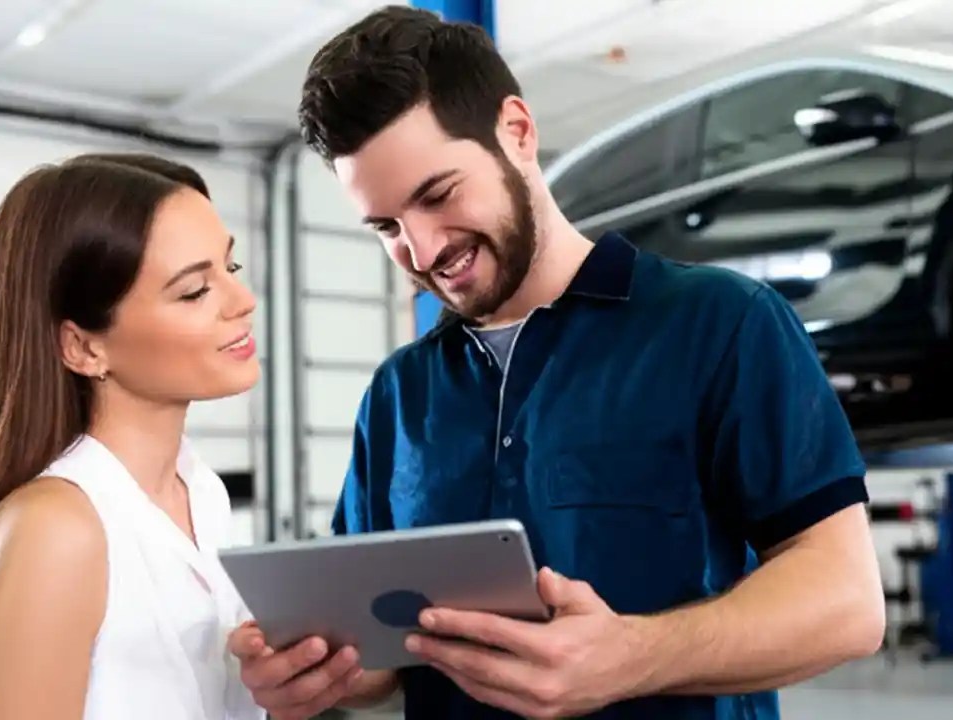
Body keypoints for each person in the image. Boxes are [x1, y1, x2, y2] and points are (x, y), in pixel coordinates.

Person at [228, 6, 886, 720]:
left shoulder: (722, 324)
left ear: (517, 131)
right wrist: (321, 670)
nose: (422, 251)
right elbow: (382, 658)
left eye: (438, 195)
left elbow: (846, 604)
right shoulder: (399, 394)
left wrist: (634, 656)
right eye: (387, 226)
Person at [0, 153, 268, 720]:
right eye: (194, 291)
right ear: (84, 347)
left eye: (232, 267)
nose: (243, 301)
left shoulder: (202, 494)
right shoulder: (55, 530)